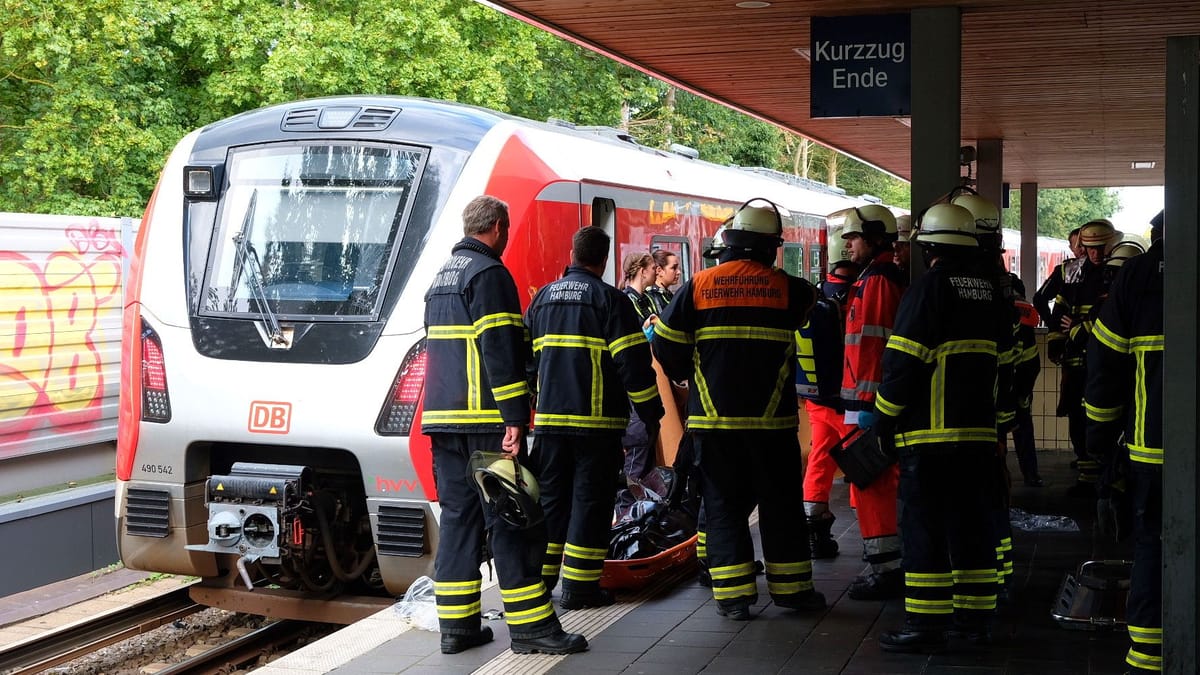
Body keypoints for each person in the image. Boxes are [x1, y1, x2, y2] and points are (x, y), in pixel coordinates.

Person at [422, 195, 586, 656]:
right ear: (497, 226)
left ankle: (457, 629)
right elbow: (501, 350)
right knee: (514, 520)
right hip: (485, 423)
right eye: (507, 230)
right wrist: (515, 418)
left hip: (443, 423)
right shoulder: (489, 275)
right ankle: (533, 629)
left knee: (458, 522)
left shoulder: (440, 278)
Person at [654, 198, 825, 621]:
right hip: (774, 426)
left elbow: (665, 346)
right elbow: (815, 307)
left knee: (724, 507)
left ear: (728, 242)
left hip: (715, 425)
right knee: (781, 507)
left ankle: (733, 598)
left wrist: (687, 376)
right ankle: (792, 593)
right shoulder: (790, 290)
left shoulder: (698, 287)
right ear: (772, 247)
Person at [872, 203, 1015, 653]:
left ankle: (925, 625)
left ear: (929, 245)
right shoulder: (993, 291)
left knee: (925, 532)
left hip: (929, 440)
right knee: (972, 529)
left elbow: (901, 364)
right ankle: (973, 623)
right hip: (978, 437)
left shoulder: (928, 289)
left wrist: (883, 419)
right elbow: (1009, 364)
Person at [526, 226, 665, 610]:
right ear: (603, 260)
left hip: (550, 427)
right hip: (596, 428)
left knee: (552, 503)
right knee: (591, 504)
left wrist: (525, 414)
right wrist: (652, 412)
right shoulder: (610, 300)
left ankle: (540, 583)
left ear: (572, 252)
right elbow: (633, 366)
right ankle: (580, 588)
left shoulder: (541, 301)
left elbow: (526, 362)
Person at [1084, 212, 1162, 675]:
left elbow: (1105, 365)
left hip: (1151, 449)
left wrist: (1100, 437)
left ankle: (1149, 655)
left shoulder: (1137, 277)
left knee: (1152, 544)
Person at [835, 204, 906, 600]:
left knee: (872, 482)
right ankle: (884, 563)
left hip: (868, 403)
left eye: (854, 238)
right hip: (865, 401)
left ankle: (886, 570)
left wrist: (869, 406)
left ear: (876, 237)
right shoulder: (871, 277)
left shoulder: (878, 280)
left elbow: (874, 346)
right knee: (870, 484)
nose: (848, 246)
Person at [1054, 219, 1120, 496]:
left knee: (1102, 417)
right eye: (1089, 248)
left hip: (1102, 360)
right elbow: (1059, 306)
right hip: (1076, 361)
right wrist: (1058, 339)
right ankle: (1086, 476)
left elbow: (1112, 313)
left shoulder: (1116, 273)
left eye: (1100, 248)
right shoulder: (1074, 273)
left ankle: (1106, 475)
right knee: (1076, 418)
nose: (1094, 254)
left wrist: (1082, 328)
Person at [800, 258, 859, 558]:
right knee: (862, 465)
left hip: (817, 401)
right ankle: (872, 533)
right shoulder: (858, 295)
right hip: (850, 402)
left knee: (819, 460)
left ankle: (815, 530)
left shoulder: (818, 297)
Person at [617, 251, 662, 514]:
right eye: (652, 267)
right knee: (636, 455)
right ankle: (627, 515)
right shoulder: (627, 301)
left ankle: (644, 513)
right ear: (641, 271)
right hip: (633, 390)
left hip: (648, 382)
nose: (656, 271)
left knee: (646, 455)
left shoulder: (647, 300)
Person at [647, 249, 681, 314]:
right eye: (674, 268)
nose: (679, 272)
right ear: (659, 270)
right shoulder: (652, 296)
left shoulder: (667, 294)